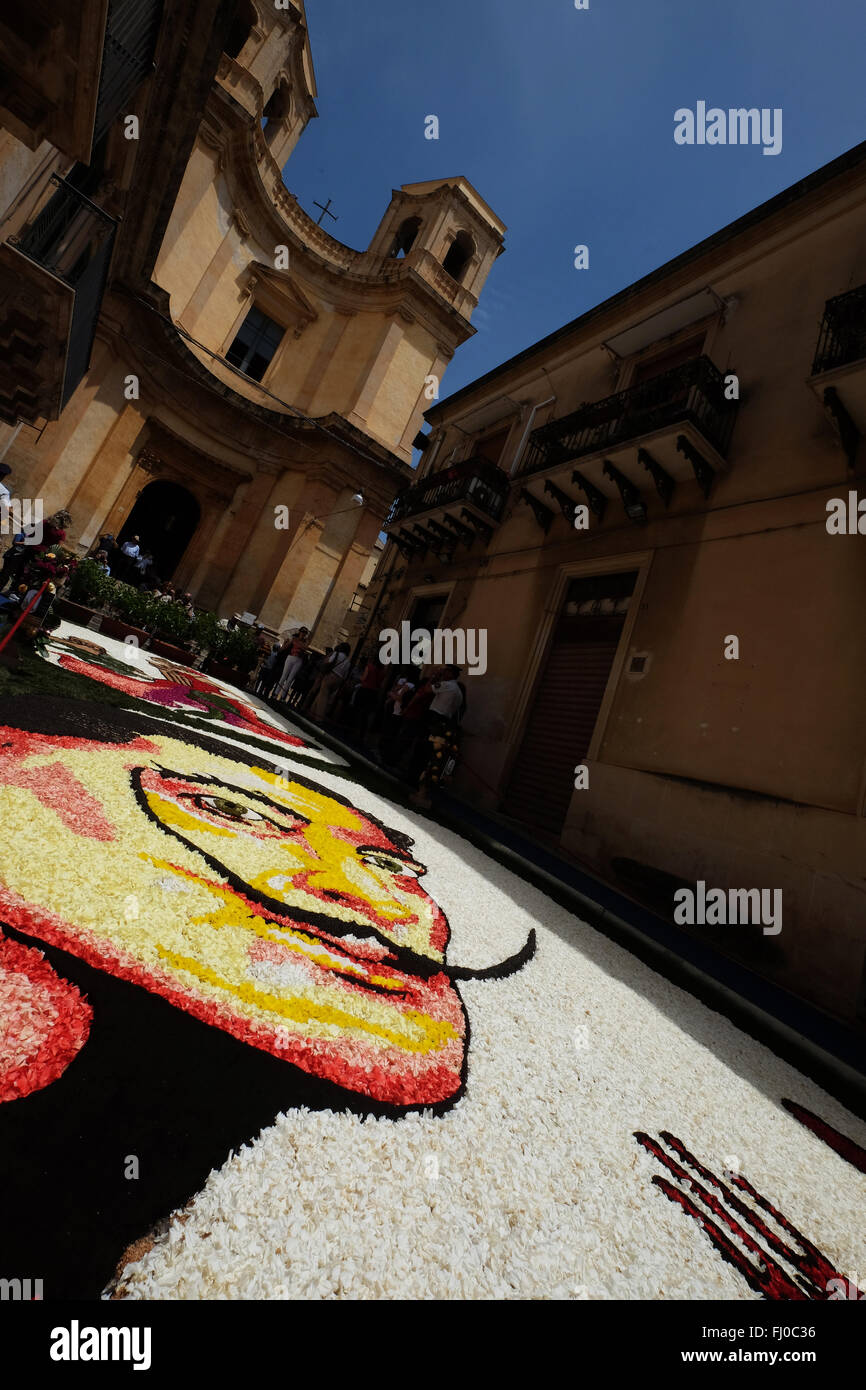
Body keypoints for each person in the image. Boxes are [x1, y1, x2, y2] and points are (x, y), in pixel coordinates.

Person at [311, 642, 351, 721]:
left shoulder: (336, 654)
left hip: (331, 676)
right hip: (339, 680)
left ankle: (319, 718)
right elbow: (345, 675)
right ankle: (312, 712)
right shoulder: (348, 661)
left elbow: (328, 662)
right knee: (323, 695)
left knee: (323, 697)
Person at [274, 627, 309, 701]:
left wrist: (297, 643)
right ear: (300, 632)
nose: (303, 633)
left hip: (298, 660)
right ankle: (276, 693)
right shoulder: (294, 639)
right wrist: (281, 649)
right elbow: (286, 646)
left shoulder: (305, 641)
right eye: (302, 632)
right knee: (283, 676)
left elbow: (305, 648)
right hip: (291, 657)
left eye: (305, 633)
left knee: (290, 679)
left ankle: (283, 696)